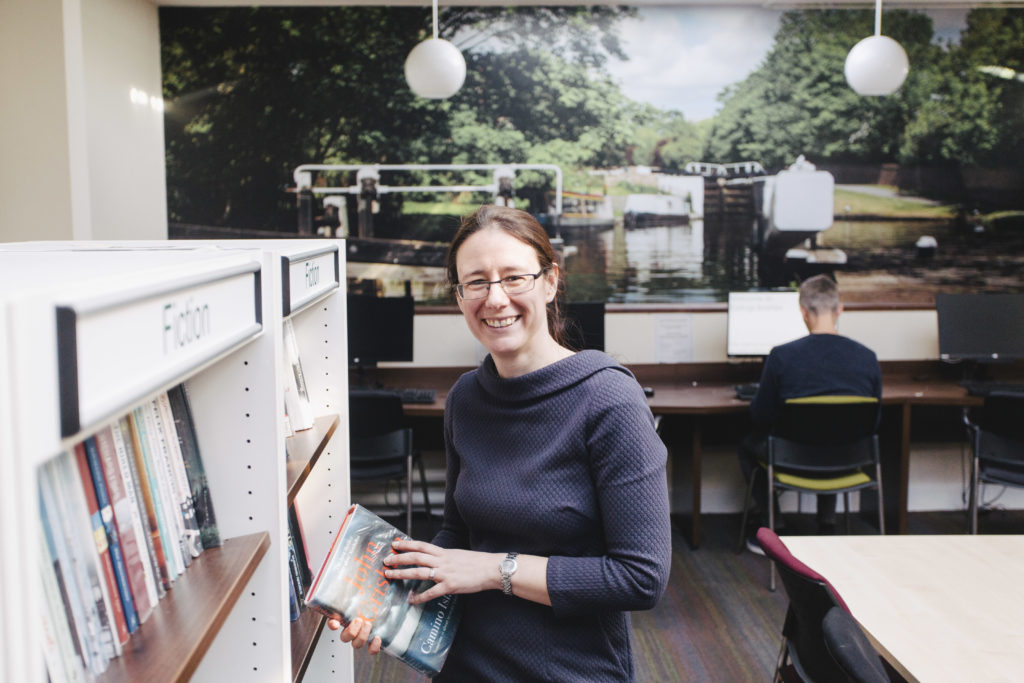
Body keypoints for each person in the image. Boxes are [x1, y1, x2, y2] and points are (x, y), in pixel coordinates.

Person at [330, 204, 672, 680]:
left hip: (568, 671)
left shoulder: (609, 399)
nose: (495, 299)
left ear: (550, 283)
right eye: (476, 282)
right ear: (459, 295)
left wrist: (496, 570)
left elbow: (641, 578)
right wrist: (385, 603)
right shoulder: (465, 398)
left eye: (514, 278)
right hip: (463, 662)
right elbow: (456, 536)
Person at [738, 274, 881, 551]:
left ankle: (776, 526)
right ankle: (827, 523)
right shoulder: (868, 358)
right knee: (834, 434)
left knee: (746, 446)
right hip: (848, 457)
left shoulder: (781, 356)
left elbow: (759, 416)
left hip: (791, 457)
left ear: (803, 312)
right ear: (840, 309)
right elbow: (874, 422)